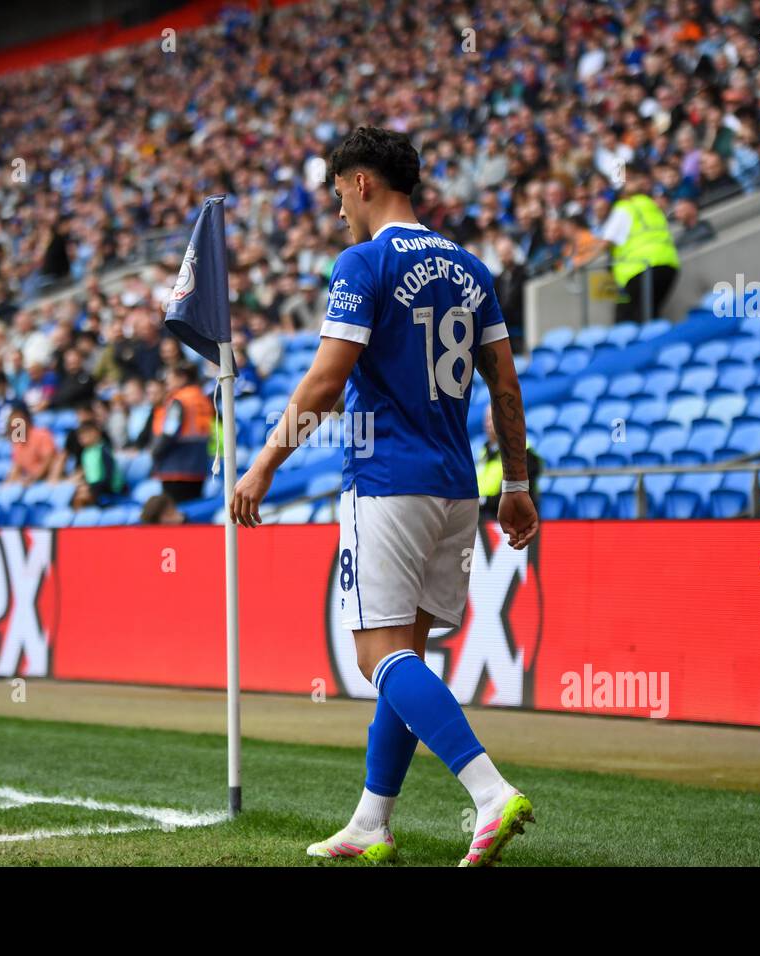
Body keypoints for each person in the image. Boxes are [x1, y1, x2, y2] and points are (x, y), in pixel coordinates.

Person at [231, 127, 538, 867]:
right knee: (410, 656)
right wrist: (519, 484)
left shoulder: (361, 262)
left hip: (386, 482)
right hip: (458, 485)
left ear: (362, 182)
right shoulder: (471, 268)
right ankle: (372, 822)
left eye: (338, 190)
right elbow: (505, 384)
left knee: (379, 658)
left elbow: (327, 382)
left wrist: (265, 462)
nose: (337, 207)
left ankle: (489, 793)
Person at [570, 163, 680, 324]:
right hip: (668, 265)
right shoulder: (649, 204)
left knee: (626, 319)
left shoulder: (623, 209)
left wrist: (579, 262)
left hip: (641, 269)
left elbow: (604, 243)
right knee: (650, 315)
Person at [150, 363, 213, 503]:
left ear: (182, 378)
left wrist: (155, 451)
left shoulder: (178, 401)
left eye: (170, 378)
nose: (167, 382)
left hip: (176, 468)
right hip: (199, 466)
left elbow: (170, 430)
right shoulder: (202, 397)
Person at [476, 405, 542, 520]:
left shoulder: (523, 453)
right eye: (486, 419)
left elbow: (516, 493)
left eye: (492, 418)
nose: (488, 424)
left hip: (511, 519)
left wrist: (483, 501)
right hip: (481, 515)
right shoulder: (483, 452)